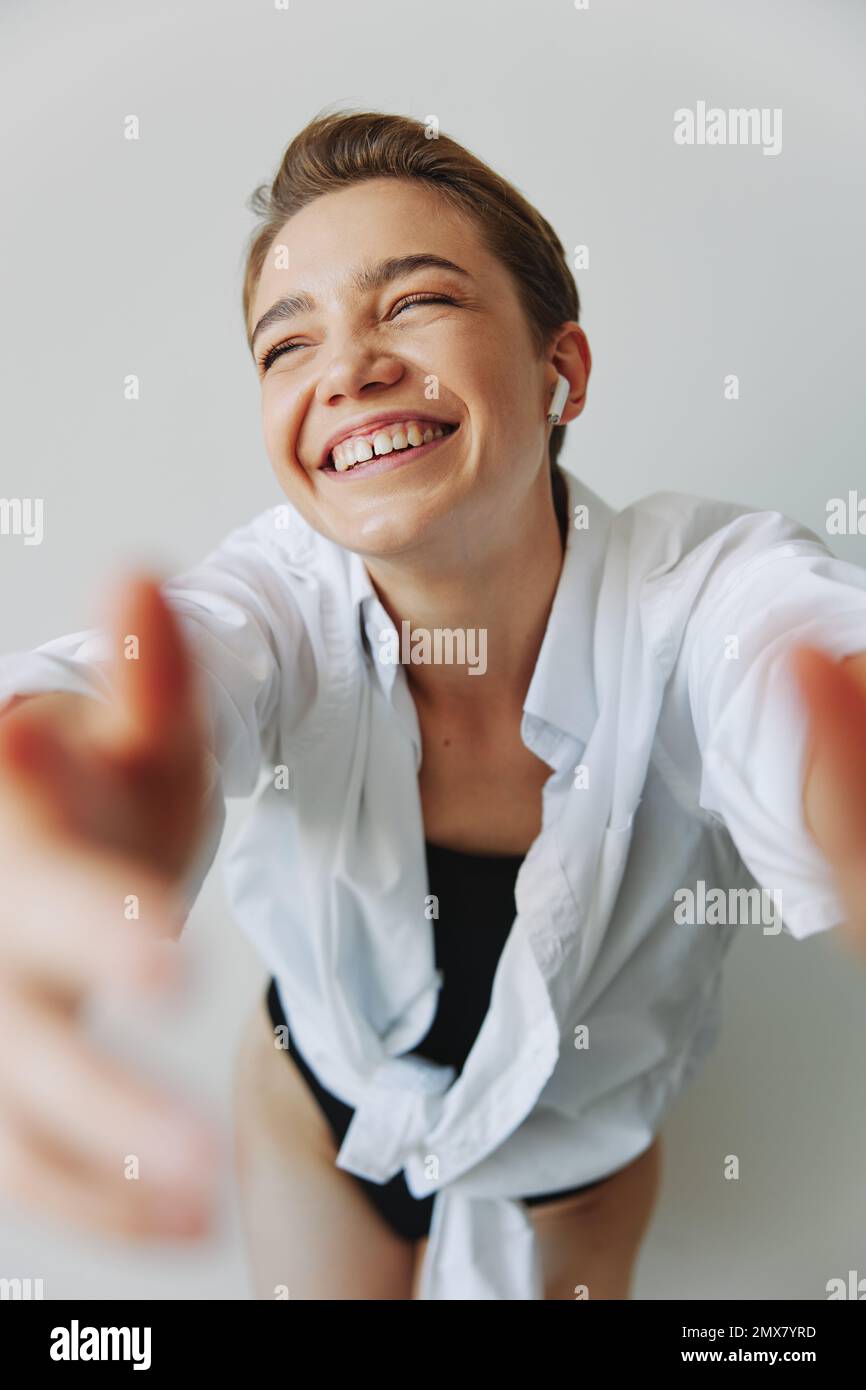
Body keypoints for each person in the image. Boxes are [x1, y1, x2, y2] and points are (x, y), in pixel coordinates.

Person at [1, 109, 866, 1301]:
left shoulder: (698, 590)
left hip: (574, 1176)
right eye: (284, 345)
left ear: (558, 369)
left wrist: (838, 769)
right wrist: (42, 815)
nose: (346, 368)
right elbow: (115, 687)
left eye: (412, 302)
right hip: (316, 1121)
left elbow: (796, 652)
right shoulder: (277, 603)